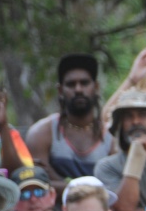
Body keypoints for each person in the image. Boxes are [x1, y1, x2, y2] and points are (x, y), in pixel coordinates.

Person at [26, 54, 115, 193]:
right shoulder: (42, 133)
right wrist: (95, 189)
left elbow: (113, 190)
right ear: (60, 90)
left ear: (96, 87)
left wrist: (56, 179)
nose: (78, 89)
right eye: (71, 84)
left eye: (84, 83)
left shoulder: (112, 137)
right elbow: (37, 187)